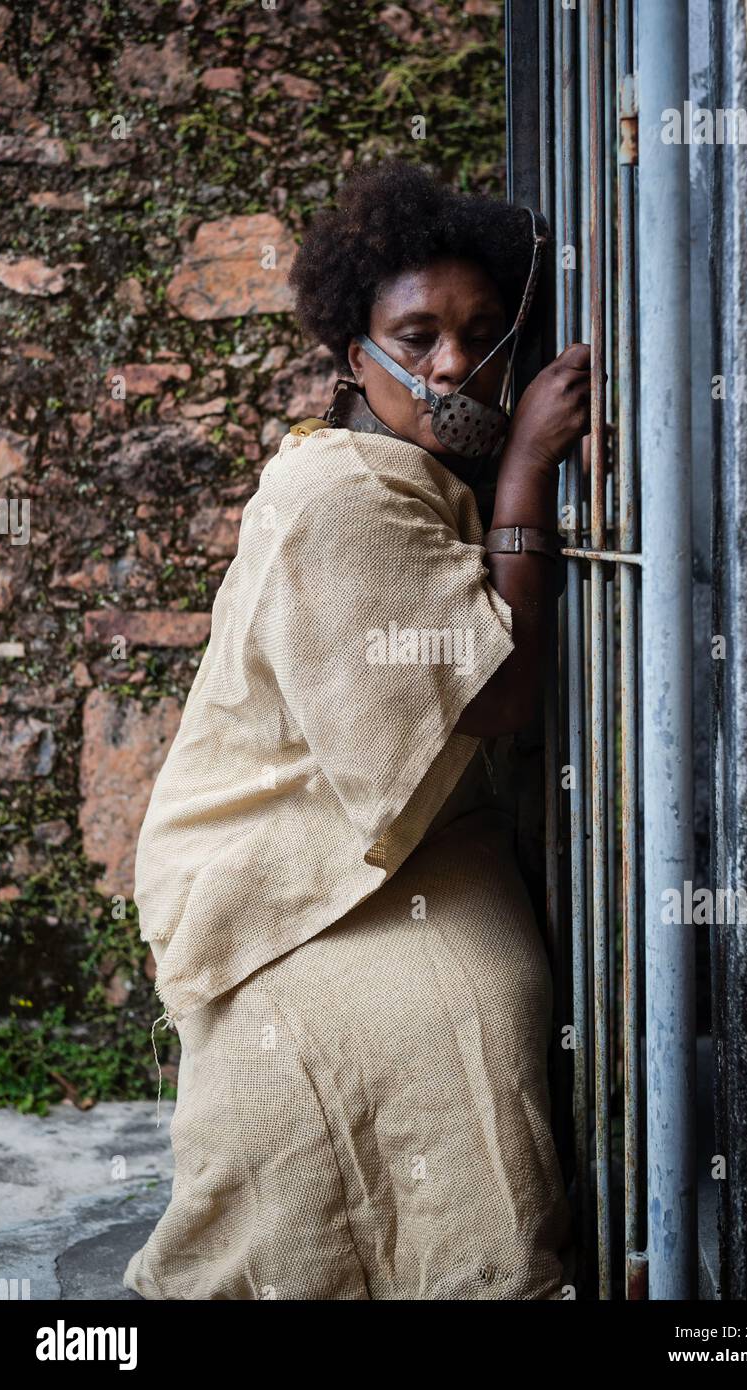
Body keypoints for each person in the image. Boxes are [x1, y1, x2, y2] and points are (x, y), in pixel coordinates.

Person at [122, 157, 591, 1301]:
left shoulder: (421, 473)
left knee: (493, 983)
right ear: (353, 356)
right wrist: (530, 459)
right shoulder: (344, 497)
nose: (452, 364)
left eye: (482, 333)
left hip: (404, 834)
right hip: (274, 870)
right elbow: (497, 700)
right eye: (418, 333)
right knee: (471, 1001)